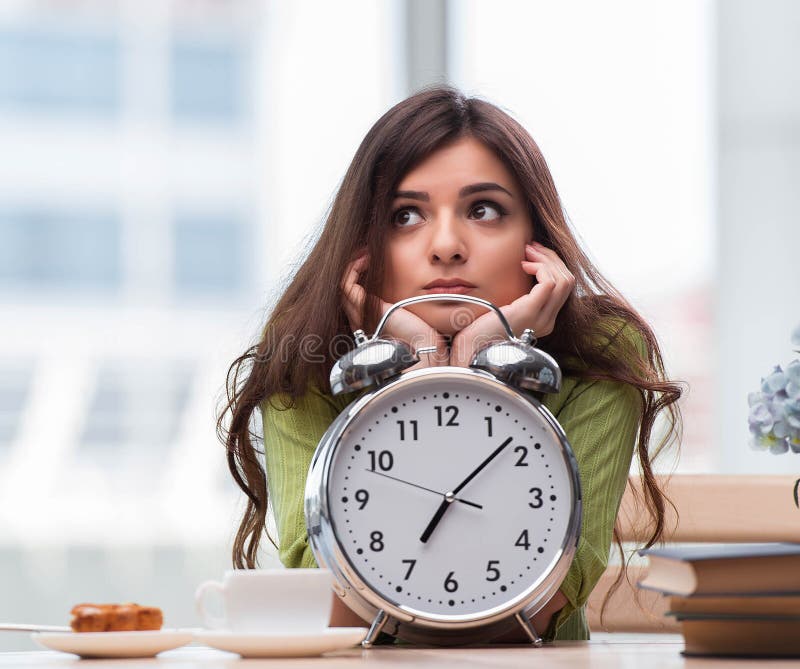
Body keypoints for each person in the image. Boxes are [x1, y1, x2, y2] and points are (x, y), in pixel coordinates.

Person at [217, 85, 682, 642]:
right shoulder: (305, 355)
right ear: (363, 241)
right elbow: (325, 602)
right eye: (406, 215)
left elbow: (530, 612)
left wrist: (480, 355)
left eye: (483, 210)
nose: (445, 246)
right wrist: (426, 360)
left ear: (534, 240)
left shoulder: (603, 355)